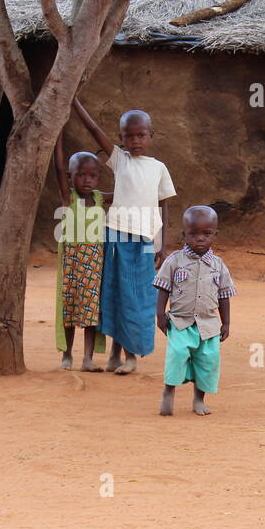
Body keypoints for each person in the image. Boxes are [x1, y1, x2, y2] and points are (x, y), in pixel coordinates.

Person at [72, 98, 176, 375]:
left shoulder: (159, 168)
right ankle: (115, 354)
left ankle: (132, 356)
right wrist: (74, 102)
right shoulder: (120, 161)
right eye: (128, 136)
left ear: (151, 135)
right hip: (115, 237)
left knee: (138, 296)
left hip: (144, 242)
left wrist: (162, 245)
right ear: (121, 139)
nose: (135, 140)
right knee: (113, 292)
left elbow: (163, 206)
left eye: (141, 134)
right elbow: (94, 130)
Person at [154, 205, 235, 416]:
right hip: (180, 322)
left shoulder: (218, 265)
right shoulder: (174, 261)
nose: (200, 238)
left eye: (206, 234)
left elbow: (224, 296)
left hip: (208, 325)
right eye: (194, 234)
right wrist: (160, 314)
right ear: (185, 234)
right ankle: (168, 391)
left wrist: (226, 323)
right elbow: (163, 288)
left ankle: (199, 399)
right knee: (177, 354)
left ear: (215, 235)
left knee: (207, 361)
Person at [52, 135, 108, 371]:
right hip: (72, 263)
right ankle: (67, 356)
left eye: (92, 175)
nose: (87, 180)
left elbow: (129, 194)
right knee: (69, 309)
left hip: (94, 264)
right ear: (70, 177)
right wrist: (57, 138)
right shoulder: (69, 198)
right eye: (81, 175)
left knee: (91, 313)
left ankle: (88, 358)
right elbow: (58, 166)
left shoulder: (99, 198)